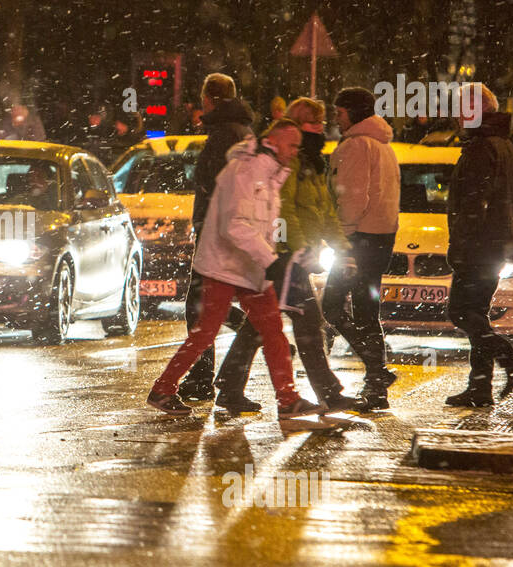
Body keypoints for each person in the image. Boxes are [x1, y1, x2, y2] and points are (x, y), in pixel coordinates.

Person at [146, 120, 319, 419]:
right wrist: (271, 261)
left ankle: (288, 399)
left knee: (272, 330)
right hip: (224, 266)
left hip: (250, 267)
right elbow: (235, 226)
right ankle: (163, 388)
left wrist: (270, 260)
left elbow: (257, 226)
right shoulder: (246, 172)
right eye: (292, 145)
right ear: (274, 143)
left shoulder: (267, 174)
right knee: (208, 332)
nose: (296, 151)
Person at [213, 98, 364, 412]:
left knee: (262, 323)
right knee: (306, 324)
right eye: (314, 123)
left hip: (294, 254)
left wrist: (343, 248)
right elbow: (286, 211)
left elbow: (323, 212)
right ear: (297, 127)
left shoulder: (310, 162)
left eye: (323, 123)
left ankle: (229, 384)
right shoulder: (291, 163)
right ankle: (323, 393)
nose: (320, 129)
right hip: (282, 255)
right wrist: (298, 248)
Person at [444, 83, 513, 406]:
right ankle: (480, 388)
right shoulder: (501, 144)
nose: (455, 116)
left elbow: (473, 203)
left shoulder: (482, 148)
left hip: (478, 248)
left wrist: (461, 245)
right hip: (495, 246)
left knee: (461, 311)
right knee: (477, 313)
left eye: (460, 109)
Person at [175, 73, 253, 401]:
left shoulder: (223, 134)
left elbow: (213, 182)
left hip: (216, 231)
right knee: (214, 302)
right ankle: (211, 374)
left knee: (199, 304)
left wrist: (207, 222)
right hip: (228, 229)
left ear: (209, 98)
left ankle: (203, 375)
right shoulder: (240, 131)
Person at [323, 87, 400, 410]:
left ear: (353, 113)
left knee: (331, 305)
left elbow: (353, 196)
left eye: (340, 113)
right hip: (380, 237)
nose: (336, 119)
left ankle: (377, 372)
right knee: (368, 311)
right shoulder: (383, 146)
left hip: (358, 239)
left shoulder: (356, 146)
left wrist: (342, 238)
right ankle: (377, 386)